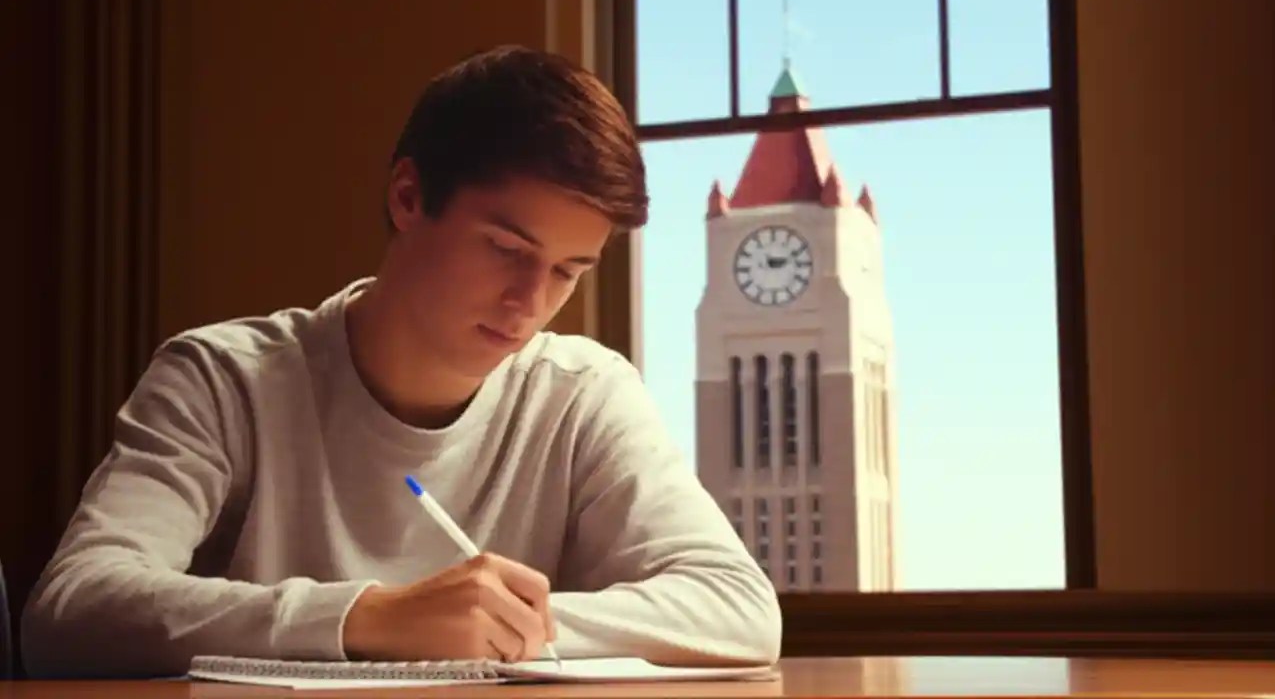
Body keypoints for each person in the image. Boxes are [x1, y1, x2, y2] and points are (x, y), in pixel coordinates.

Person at [21, 45, 781, 679]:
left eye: (568, 271)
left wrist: (483, 624)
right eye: (507, 250)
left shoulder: (584, 394)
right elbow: (72, 610)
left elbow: (738, 612)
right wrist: (371, 618)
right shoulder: (223, 380)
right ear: (408, 197)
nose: (529, 301)